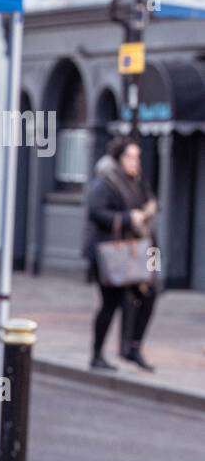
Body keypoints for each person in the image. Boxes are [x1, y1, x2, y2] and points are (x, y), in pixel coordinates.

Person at [84, 136, 159, 372]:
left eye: (137, 157)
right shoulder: (106, 182)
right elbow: (95, 212)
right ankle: (97, 354)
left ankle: (132, 347)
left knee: (149, 294)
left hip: (137, 251)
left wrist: (148, 211)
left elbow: (149, 205)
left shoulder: (139, 182)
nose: (135, 162)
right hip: (112, 253)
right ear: (118, 158)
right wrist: (127, 218)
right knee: (111, 302)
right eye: (130, 157)